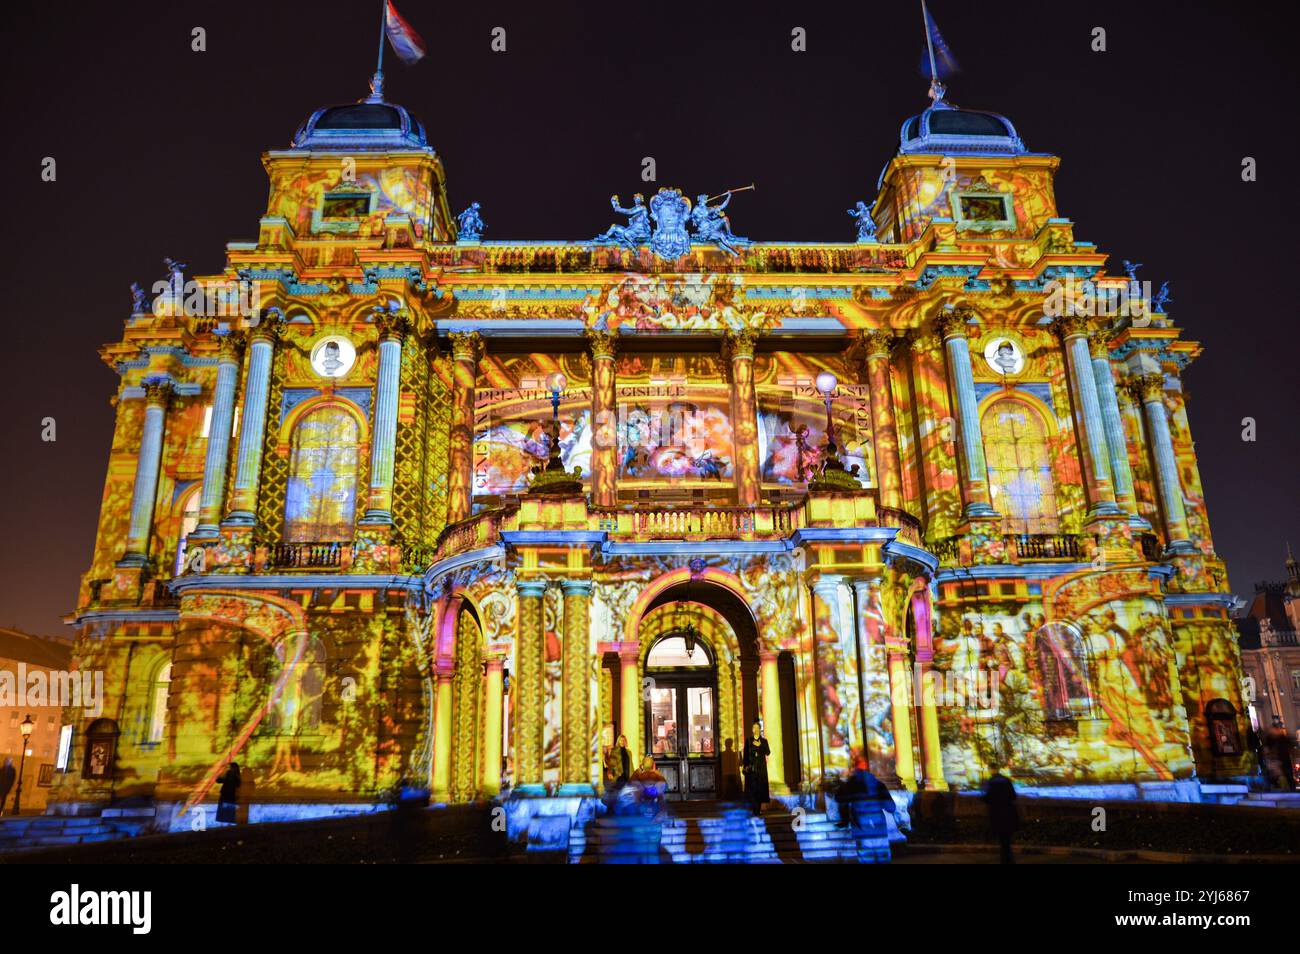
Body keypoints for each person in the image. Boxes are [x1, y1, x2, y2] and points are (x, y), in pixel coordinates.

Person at [836, 754, 895, 862]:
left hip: (861, 830)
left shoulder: (850, 785)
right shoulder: (878, 785)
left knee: (866, 858)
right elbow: (891, 807)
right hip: (879, 830)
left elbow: (840, 799)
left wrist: (844, 820)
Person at [983, 770, 1018, 864]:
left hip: (996, 814)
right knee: (1007, 839)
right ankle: (1008, 858)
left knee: (1002, 839)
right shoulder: (1007, 782)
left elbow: (985, 798)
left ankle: (1005, 858)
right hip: (1008, 813)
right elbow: (1013, 796)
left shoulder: (990, 783)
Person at [742, 720, 771, 816]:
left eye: (757, 728)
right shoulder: (749, 741)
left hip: (761, 769)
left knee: (760, 789)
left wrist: (760, 746)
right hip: (752, 768)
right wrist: (745, 766)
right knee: (752, 789)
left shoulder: (764, 741)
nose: (756, 729)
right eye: (754, 728)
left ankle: (758, 809)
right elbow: (746, 755)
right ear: (752, 729)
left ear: (760, 729)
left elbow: (768, 752)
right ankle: (754, 809)